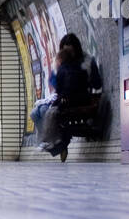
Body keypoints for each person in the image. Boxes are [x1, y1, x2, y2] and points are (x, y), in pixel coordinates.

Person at [40, 33, 96, 162]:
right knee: (41, 111)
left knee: (50, 112)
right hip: (69, 99)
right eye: (65, 51)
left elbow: (95, 82)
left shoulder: (86, 61)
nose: (69, 54)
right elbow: (54, 83)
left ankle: (56, 143)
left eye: (70, 50)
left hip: (77, 100)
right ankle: (54, 142)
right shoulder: (61, 63)